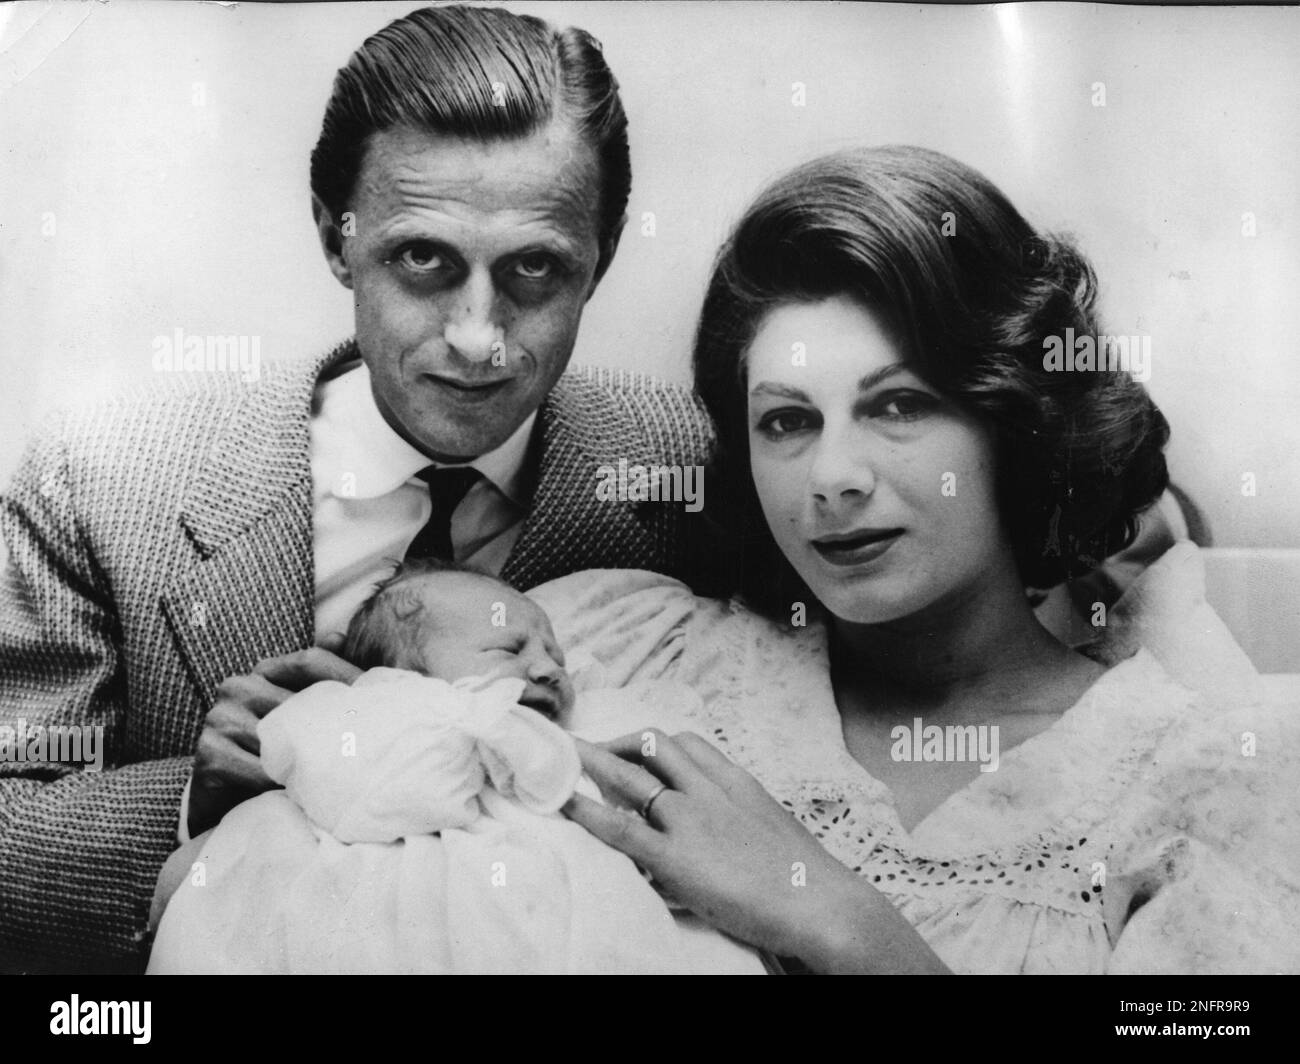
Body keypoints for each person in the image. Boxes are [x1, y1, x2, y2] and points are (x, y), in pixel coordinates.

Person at [0, 5, 716, 973]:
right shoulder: (103, 478)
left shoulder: (696, 467)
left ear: (604, 255)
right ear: (336, 238)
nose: (477, 335)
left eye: (536, 267)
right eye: (422, 258)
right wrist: (189, 803)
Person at [543, 145, 1300, 974]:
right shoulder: (644, 648)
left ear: (1011, 421)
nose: (832, 478)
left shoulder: (1206, 791)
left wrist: (838, 920)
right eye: (788, 421)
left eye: (898, 405)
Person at [146, 558, 765, 974]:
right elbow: (354, 789)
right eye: (508, 650)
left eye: (553, 651)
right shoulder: (393, 719)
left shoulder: (594, 728)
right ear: (399, 677)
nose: (547, 667)